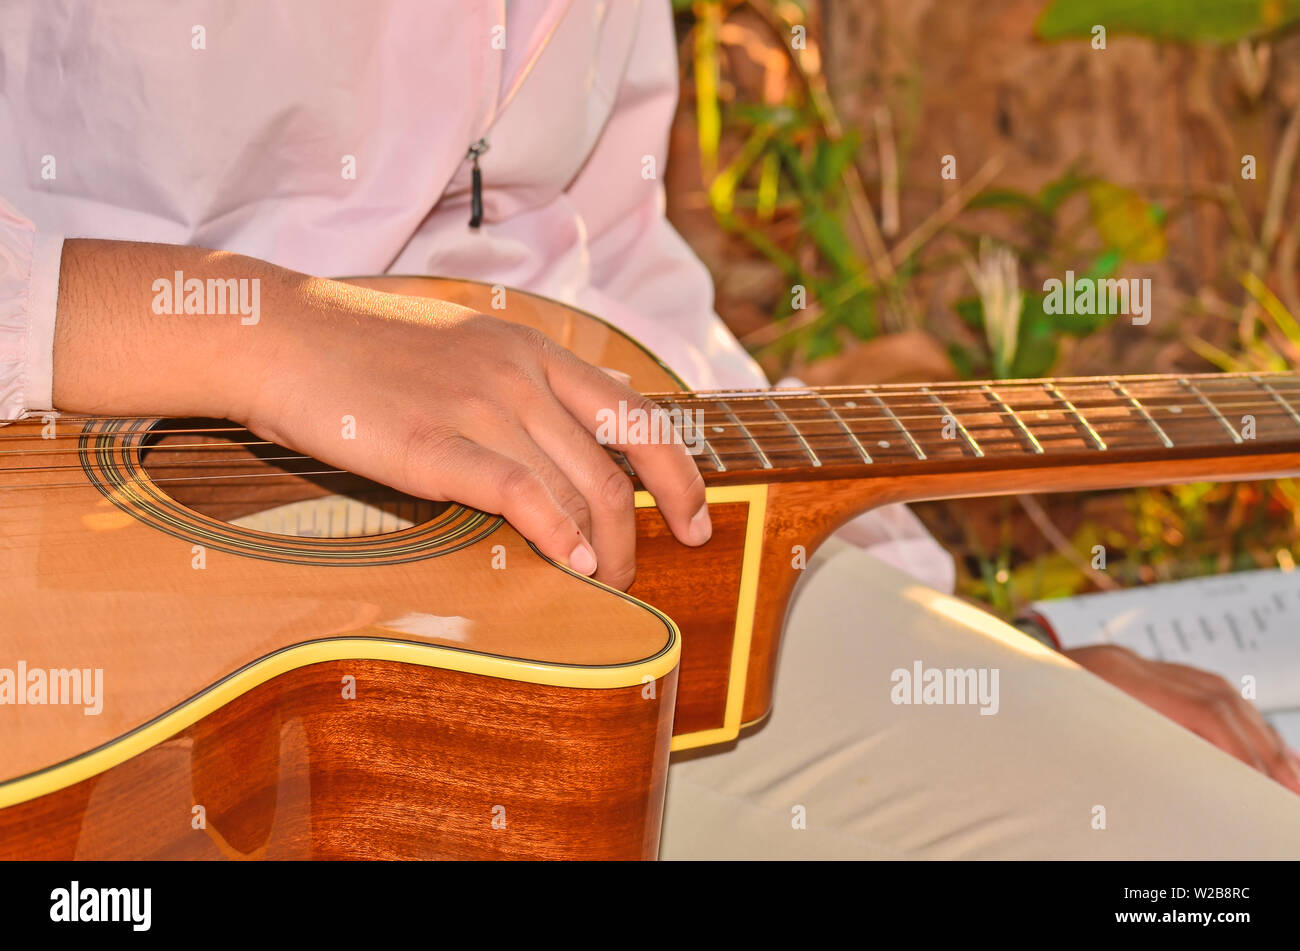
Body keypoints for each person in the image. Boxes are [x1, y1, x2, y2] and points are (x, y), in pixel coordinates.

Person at [3, 0, 1299, 858]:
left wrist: (960, 648)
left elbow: (602, 259)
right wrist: (258, 332)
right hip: (85, 632)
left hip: (584, 569)